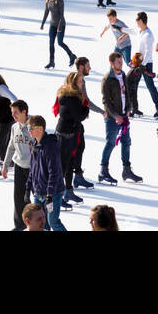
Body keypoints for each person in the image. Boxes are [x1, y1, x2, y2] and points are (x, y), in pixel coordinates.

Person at [98, 50, 142, 185]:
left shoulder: (122, 74)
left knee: (126, 142)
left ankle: (126, 170)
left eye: (121, 62)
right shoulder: (107, 79)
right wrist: (115, 115)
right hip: (113, 118)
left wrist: (128, 109)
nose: (121, 64)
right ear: (112, 64)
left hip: (124, 115)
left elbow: (126, 93)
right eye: (118, 62)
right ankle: (103, 171)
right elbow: (105, 101)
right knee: (111, 142)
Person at [53, 71, 87, 203]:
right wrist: (86, 109)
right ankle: (57, 196)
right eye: (80, 81)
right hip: (65, 135)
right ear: (73, 83)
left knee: (69, 164)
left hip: (71, 134)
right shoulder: (71, 98)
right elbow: (80, 116)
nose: (82, 83)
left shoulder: (72, 95)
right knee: (62, 167)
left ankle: (68, 191)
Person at [28, 115, 67, 232]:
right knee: (39, 223)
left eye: (31, 127)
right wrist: (28, 187)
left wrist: (49, 195)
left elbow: (54, 172)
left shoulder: (50, 146)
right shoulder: (34, 144)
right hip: (38, 192)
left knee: (53, 222)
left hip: (53, 193)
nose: (29, 130)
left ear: (40, 129)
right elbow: (32, 169)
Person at [72, 57, 106, 188]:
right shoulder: (79, 81)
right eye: (88, 66)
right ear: (81, 67)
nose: (90, 68)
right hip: (74, 122)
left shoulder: (73, 79)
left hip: (75, 120)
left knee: (79, 147)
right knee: (77, 148)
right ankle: (75, 179)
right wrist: (101, 111)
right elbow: (86, 100)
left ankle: (77, 176)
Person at [3, 100, 33, 230]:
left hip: (33, 169)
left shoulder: (34, 125)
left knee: (32, 198)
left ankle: (40, 224)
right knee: (18, 198)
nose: (13, 115)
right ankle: (19, 225)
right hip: (19, 167)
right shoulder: (14, 127)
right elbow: (11, 147)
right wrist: (5, 165)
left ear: (24, 112)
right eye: (12, 112)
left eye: (15, 113)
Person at [134, 12, 158, 116]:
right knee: (134, 85)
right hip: (138, 63)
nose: (136, 22)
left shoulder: (148, 35)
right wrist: (120, 29)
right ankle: (134, 108)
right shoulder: (140, 31)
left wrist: (143, 65)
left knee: (150, 86)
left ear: (141, 21)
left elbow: (148, 52)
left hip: (146, 64)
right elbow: (131, 31)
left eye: (137, 20)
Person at [40, 0, 76, 69]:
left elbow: (61, 15)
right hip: (52, 25)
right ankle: (51, 62)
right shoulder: (48, 0)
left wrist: (59, 26)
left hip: (61, 24)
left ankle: (72, 56)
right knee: (51, 43)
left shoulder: (59, 0)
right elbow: (46, 12)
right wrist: (42, 23)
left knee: (60, 43)